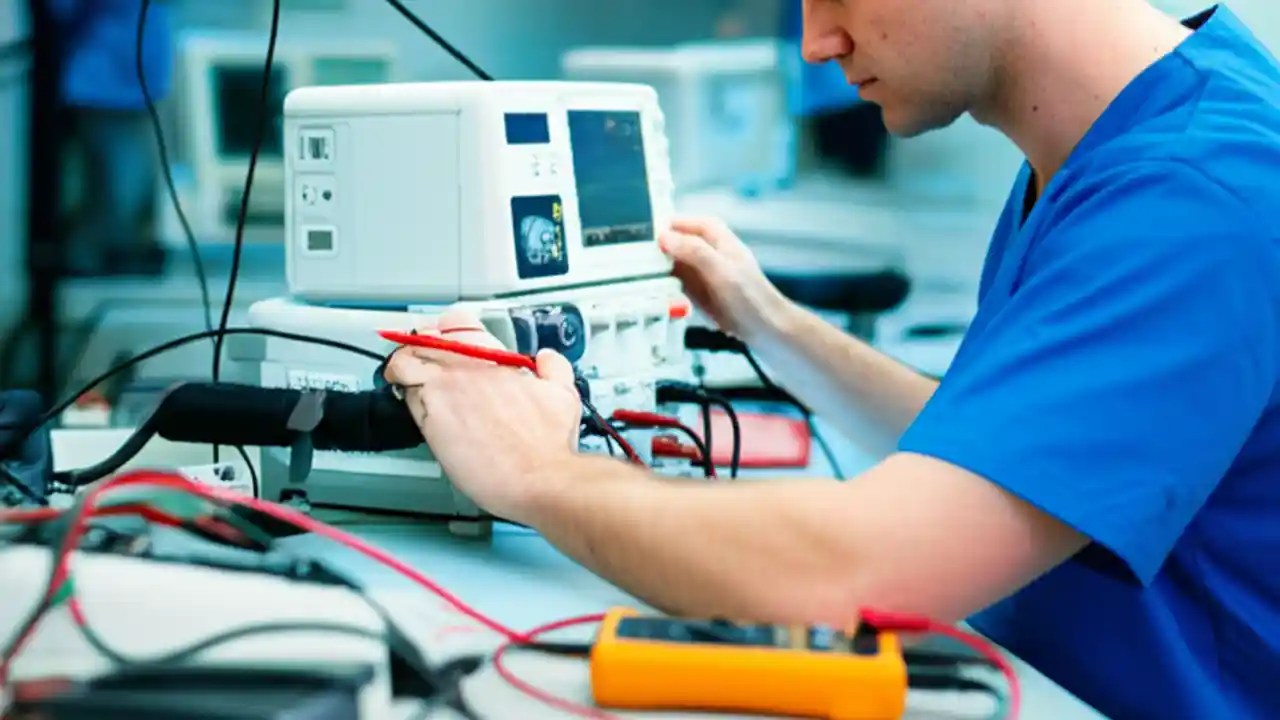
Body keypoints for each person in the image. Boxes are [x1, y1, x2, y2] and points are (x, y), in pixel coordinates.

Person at [385, 2, 1280, 718]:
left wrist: (534, 472)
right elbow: (1007, 461)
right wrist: (773, 327)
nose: (816, 41)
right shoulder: (1124, 138)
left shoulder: (1192, 195)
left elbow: (854, 569)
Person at [49, 0, 173, 275]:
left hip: (119, 76)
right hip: (111, 78)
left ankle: (114, 252)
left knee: (121, 183)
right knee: (117, 183)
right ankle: (107, 253)